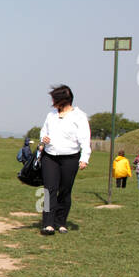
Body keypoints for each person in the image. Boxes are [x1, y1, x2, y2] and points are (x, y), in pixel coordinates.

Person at [38, 84, 91, 235]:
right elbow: (43, 132)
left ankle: (60, 222)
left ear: (63, 100)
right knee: (49, 190)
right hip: (50, 157)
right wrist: (43, 139)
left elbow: (85, 139)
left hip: (70, 158)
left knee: (65, 190)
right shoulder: (51, 115)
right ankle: (48, 224)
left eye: (54, 99)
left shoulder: (79, 116)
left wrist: (84, 158)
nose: (52, 102)